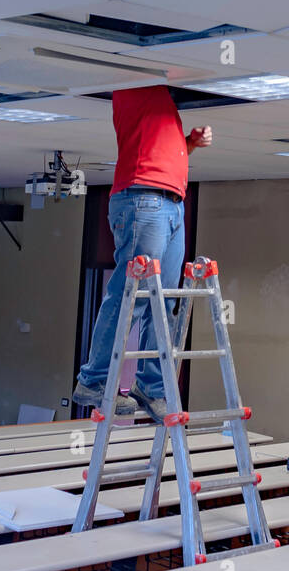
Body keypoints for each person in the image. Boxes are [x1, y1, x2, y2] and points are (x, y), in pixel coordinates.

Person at [72, 84, 212, 421]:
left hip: (171, 202)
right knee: (130, 295)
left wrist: (188, 143)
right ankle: (94, 381)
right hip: (142, 197)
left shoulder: (161, 100)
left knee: (162, 300)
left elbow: (156, 148)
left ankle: (150, 386)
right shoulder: (134, 81)